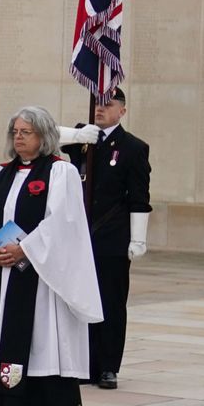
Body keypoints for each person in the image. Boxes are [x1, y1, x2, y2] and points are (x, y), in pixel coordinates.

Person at [0, 106, 103, 406]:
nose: (19, 138)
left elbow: (64, 222)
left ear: (45, 136)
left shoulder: (59, 173)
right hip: (1, 275)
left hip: (38, 277)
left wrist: (26, 248)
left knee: (36, 345)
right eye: (16, 132)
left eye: (27, 132)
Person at [59, 87, 152, 389]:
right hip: (79, 236)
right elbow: (44, 138)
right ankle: (83, 363)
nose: (100, 109)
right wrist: (76, 137)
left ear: (122, 111)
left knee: (111, 302)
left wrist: (137, 239)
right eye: (98, 103)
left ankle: (108, 366)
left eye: (107, 104)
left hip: (111, 237)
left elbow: (139, 197)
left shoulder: (133, 147)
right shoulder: (82, 139)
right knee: (78, 300)